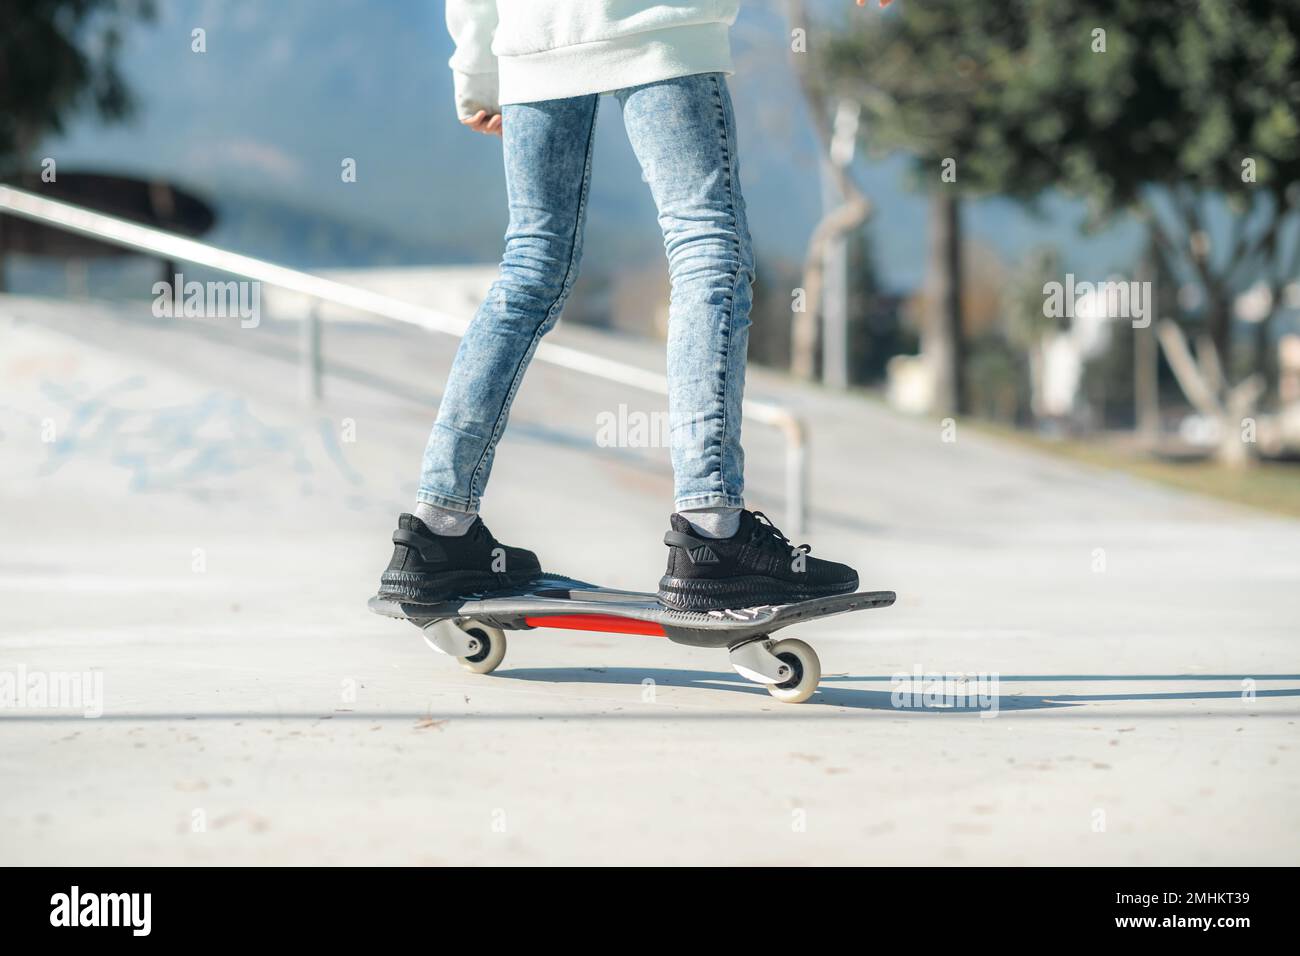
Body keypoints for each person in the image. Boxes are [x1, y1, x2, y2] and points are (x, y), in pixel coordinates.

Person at [379, 0, 858, 611]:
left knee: (530, 267)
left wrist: (478, 68)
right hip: (653, 24)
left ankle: (438, 530)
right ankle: (711, 533)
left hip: (534, 37)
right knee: (706, 244)